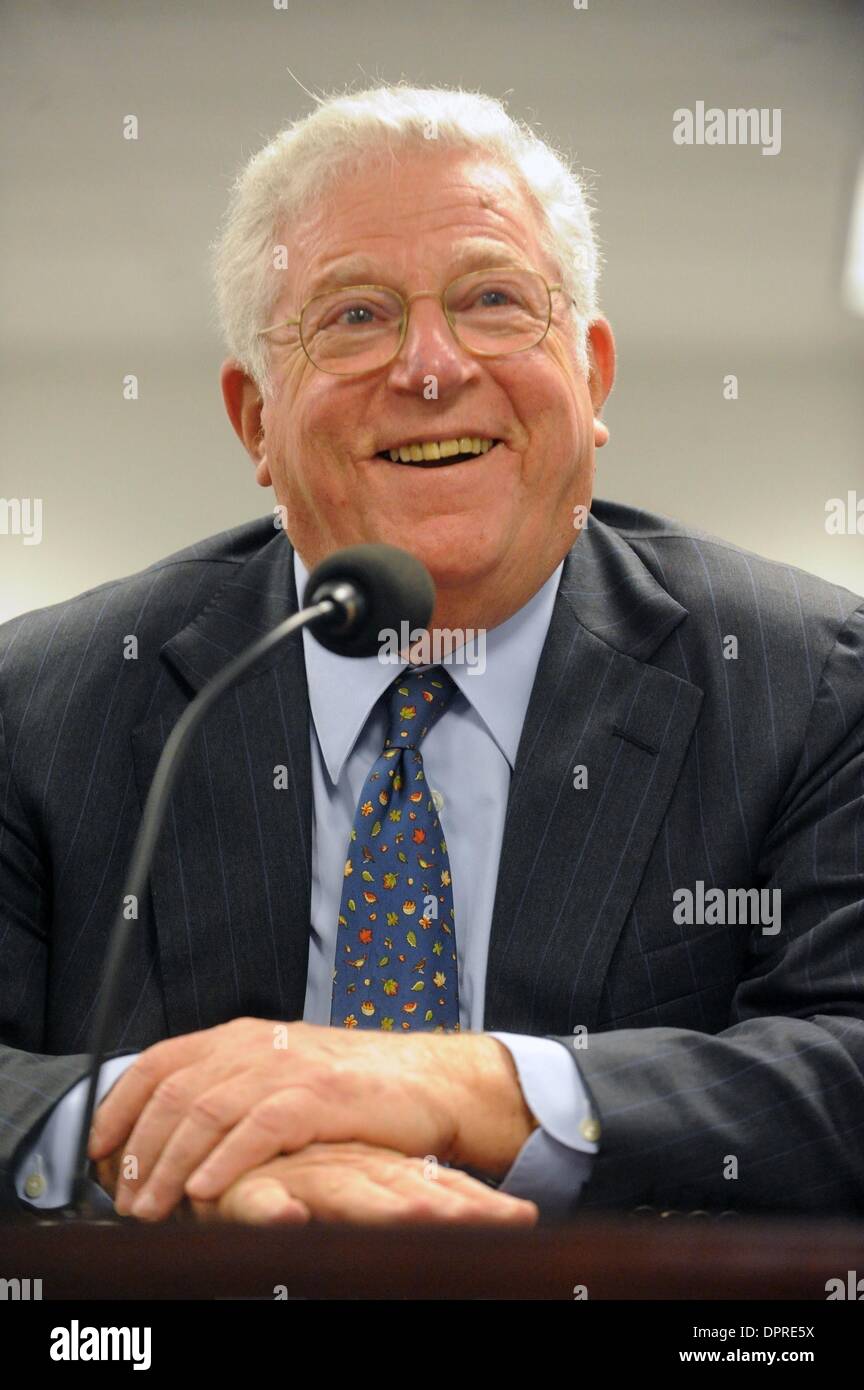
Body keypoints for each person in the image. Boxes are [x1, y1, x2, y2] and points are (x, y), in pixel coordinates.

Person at [2, 84, 862, 1228]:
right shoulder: (40, 703)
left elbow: (845, 1065)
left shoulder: (809, 684)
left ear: (594, 376)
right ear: (254, 420)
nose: (429, 364)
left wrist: (461, 1086)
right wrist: (167, 1140)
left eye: (495, 300)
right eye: (353, 316)